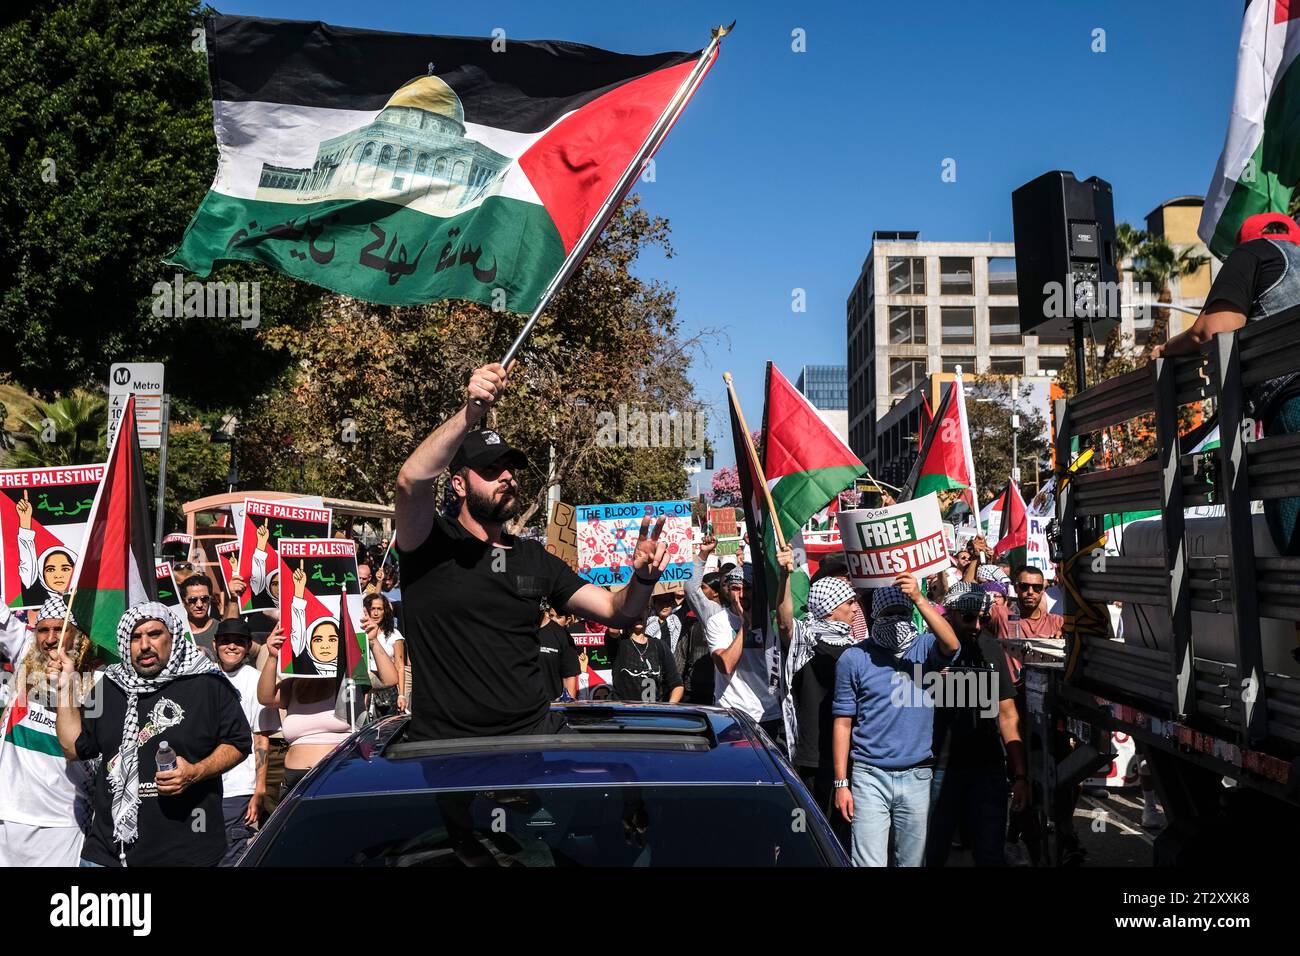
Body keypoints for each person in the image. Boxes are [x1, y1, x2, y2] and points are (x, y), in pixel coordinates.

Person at [393, 362, 668, 740]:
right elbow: (410, 481)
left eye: (511, 469)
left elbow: (616, 611)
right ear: (458, 484)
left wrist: (643, 578)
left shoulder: (534, 558)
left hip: (530, 746)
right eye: (491, 469)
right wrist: (471, 412)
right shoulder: (429, 543)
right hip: (445, 754)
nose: (508, 477)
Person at [50, 603, 250, 867]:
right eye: (135, 637)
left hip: (186, 853)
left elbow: (238, 743)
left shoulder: (207, 684)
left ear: (173, 637)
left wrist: (196, 772)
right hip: (110, 854)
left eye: (154, 634)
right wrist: (65, 689)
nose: (144, 645)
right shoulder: (110, 687)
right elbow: (74, 748)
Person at [1154, 212, 1300, 553]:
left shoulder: (1253, 253)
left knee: (1293, 540)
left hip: (1291, 400)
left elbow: (1214, 330)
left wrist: (1165, 349)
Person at [831, 576, 960, 867]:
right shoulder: (854, 658)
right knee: (868, 863)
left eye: (902, 613)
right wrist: (842, 782)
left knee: (912, 862)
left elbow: (951, 644)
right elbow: (843, 722)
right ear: (875, 616)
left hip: (917, 775)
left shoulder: (925, 649)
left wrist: (917, 598)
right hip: (869, 776)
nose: (897, 620)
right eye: (889, 614)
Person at [926, 584, 1028, 867]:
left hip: (987, 768)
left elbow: (1007, 714)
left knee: (990, 854)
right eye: (968, 618)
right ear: (950, 615)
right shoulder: (929, 648)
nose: (976, 625)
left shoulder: (991, 647)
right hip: (940, 769)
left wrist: (1020, 775)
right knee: (933, 852)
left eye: (982, 618)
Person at [0, 598, 101, 866]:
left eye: (60, 629)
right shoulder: (26, 658)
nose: (50, 638)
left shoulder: (96, 681)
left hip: (62, 821)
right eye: (43, 630)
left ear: (77, 636)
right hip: (9, 814)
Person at [258, 616, 400, 799]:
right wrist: (272, 656)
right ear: (309, 645)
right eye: (318, 639)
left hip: (339, 777)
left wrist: (372, 641)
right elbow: (265, 697)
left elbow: (390, 679)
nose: (325, 645)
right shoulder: (293, 684)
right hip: (295, 782)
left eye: (333, 639)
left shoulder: (351, 679)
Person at [776, 571, 859, 848]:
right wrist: (784, 576)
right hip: (810, 756)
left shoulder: (855, 649)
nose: (854, 609)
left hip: (845, 758)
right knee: (807, 835)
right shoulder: (805, 641)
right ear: (832, 608)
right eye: (849, 603)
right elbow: (785, 622)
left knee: (841, 836)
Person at [212, 618, 275, 866]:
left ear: (248, 646)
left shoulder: (256, 679)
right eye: (226, 641)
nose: (232, 646)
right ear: (215, 643)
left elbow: (261, 737)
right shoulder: (202, 676)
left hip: (239, 787)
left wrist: (258, 789)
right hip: (203, 785)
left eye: (239, 642)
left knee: (232, 855)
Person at [705, 563, 782, 742]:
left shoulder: (771, 620)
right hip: (732, 712)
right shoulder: (717, 622)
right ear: (727, 590)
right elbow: (725, 665)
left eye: (747, 588)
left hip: (768, 712)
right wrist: (745, 627)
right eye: (735, 588)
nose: (741, 595)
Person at [990, 565, 1064, 684]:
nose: (1030, 592)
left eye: (1037, 587)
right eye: (1024, 586)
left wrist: (1064, 633)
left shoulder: (1056, 622)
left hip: (1045, 695)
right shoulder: (1001, 615)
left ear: (1043, 590)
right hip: (1011, 695)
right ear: (1016, 588)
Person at [611, 615, 683, 703]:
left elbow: (677, 685)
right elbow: (613, 630)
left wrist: (669, 708)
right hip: (624, 713)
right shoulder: (619, 644)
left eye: (642, 609)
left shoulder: (659, 645)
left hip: (651, 712)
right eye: (635, 610)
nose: (638, 614)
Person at [363, 592, 407, 715]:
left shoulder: (394, 635)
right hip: (364, 690)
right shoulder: (359, 634)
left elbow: (400, 666)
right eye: (372, 609)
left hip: (387, 691)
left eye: (380, 609)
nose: (376, 613)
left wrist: (402, 695)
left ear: (385, 611)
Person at [537, 605, 580, 701]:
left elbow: (569, 678)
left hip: (550, 710)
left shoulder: (563, 635)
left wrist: (567, 711)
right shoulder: (512, 631)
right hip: (515, 709)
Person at [180, 576, 220, 658]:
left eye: (204, 599)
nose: (199, 605)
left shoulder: (221, 629)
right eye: (192, 600)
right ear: (183, 601)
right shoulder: (178, 633)